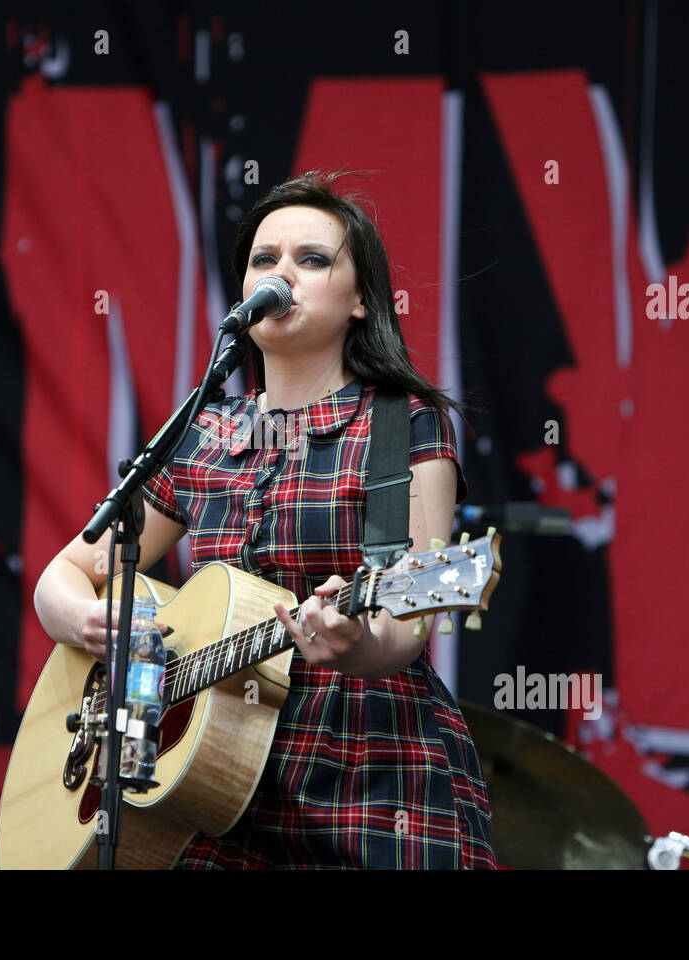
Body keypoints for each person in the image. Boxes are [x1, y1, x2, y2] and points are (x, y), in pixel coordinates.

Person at [34, 170, 495, 869]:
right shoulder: (206, 434)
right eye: (264, 260)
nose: (283, 273)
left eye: (312, 260)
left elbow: (404, 622)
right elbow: (65, 573)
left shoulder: (399, 424)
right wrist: (90, 623)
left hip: (369, 772)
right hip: (212, 781)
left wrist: (355, 646)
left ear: (363, 302)